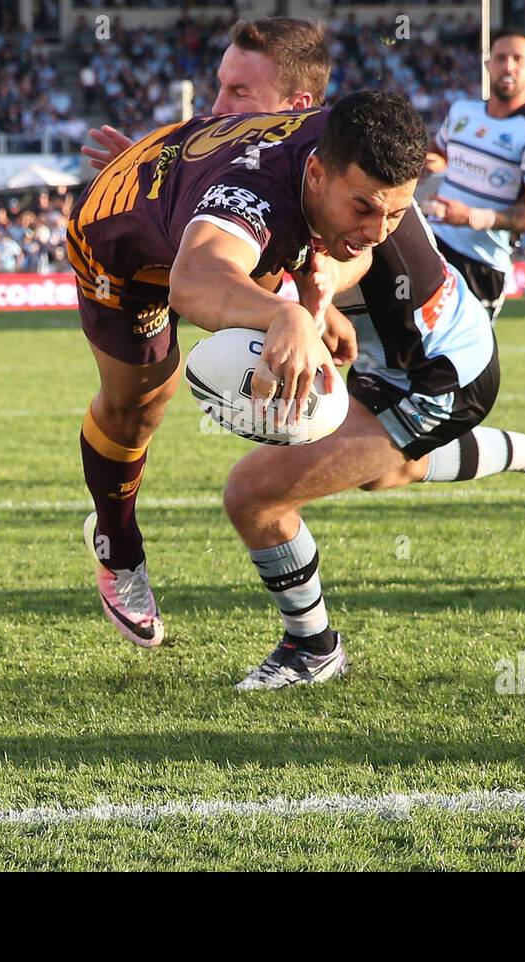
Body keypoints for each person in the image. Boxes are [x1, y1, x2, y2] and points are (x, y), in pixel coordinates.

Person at [73, 88, 429, 649]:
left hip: (186, 205)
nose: (378, 230)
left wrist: (319, 291)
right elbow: (192, 283)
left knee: (264, 307)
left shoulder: (350, 150)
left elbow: (347, 244)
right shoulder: (253, 196)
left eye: (397, 213)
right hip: (119, 243)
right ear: (316, 174)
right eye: (363, 209)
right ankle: (116, 545)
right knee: (143, 402)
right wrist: (286, 315)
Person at [422, 31, 525, 323]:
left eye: (517, 59)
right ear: (488, 64)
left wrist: (473, 216)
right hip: (431, 243)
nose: (508, 66)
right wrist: (420, 166)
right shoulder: (462, 112)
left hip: (480, 264)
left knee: (459, 362)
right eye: (500, 58)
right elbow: (437, 154)